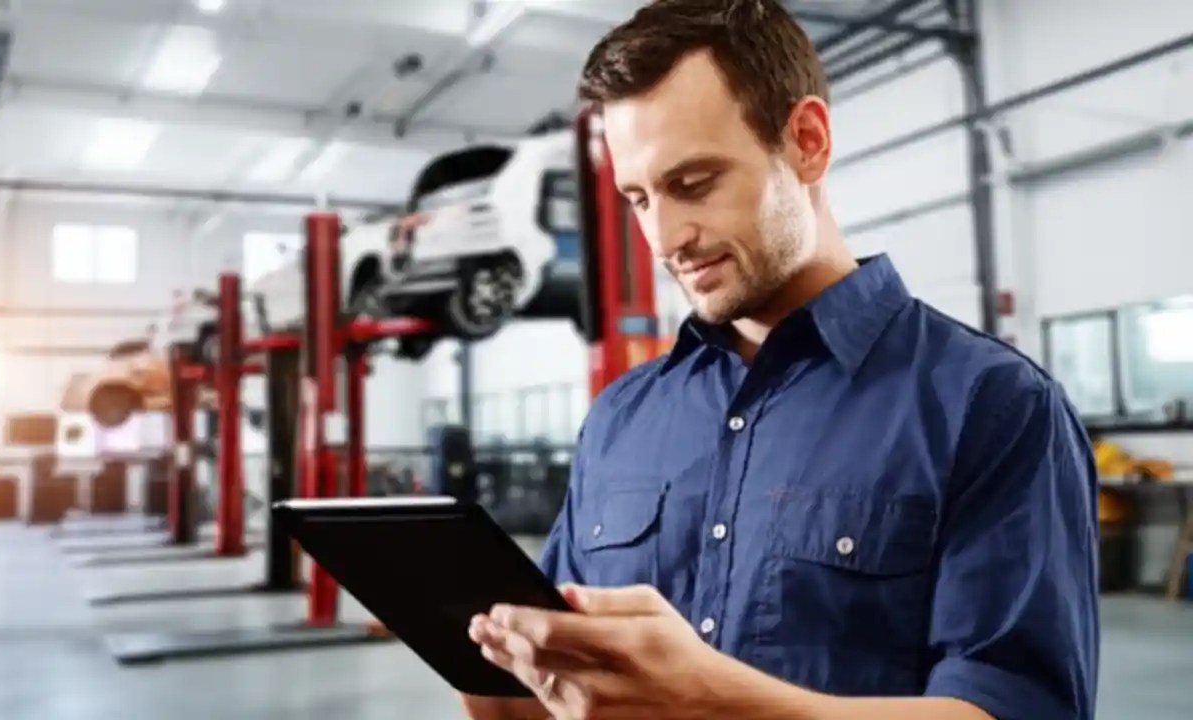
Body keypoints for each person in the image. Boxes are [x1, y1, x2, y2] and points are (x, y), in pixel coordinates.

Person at [463, 1, 1100, 718]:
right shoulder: (622, 416)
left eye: (693, 183)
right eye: (638, 199)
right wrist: (485, 667)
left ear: (807, 141)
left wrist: (713, 700)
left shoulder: (992, 405)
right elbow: (546, 692)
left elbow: (1015, 706)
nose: (666, 236)